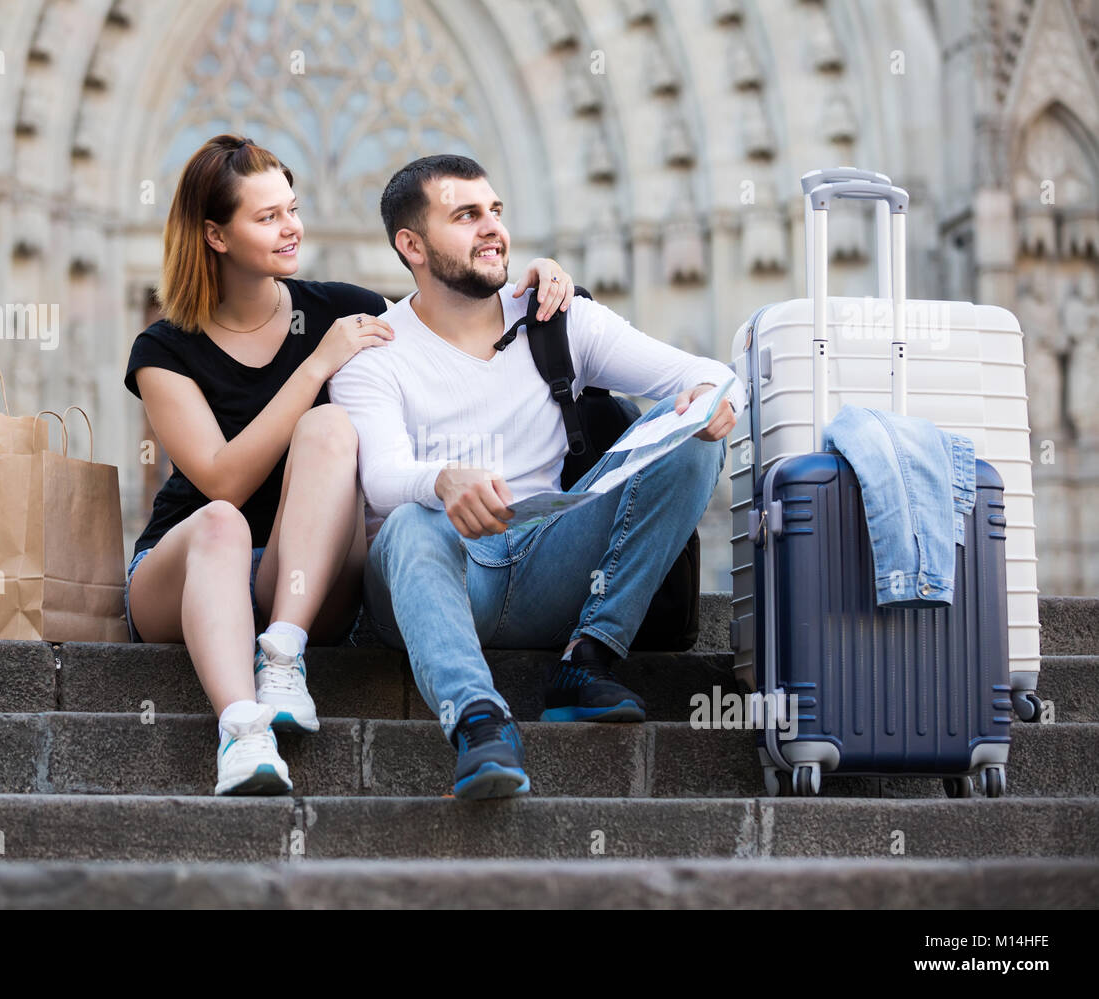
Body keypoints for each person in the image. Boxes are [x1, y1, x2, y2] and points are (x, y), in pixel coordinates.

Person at [122, 135, 575, 796]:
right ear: (216, 236)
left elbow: (446, 310)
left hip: (300, 581)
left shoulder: (338, 306)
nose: (291, 227)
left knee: (332, 426)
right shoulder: (164, 347)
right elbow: (221, 478)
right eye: (267, 216)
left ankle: (282, 658)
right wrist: (317, 363)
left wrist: (528, 278)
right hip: (189, 566)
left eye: (293, 208)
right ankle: (242, 733)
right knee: (220, 519)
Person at [327, 155, 743, 800]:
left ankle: (589, 660)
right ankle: (479, 723)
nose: (492, 227)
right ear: (410, 244)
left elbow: (707, 372)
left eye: (495, 211)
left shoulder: (559, 319)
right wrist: (442, 481)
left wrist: (714, 401)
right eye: (465, 215)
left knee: (684, 432)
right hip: (444, 575)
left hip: (553, 560)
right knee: (408, 523)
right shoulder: (376, 351)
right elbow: (381, 477)